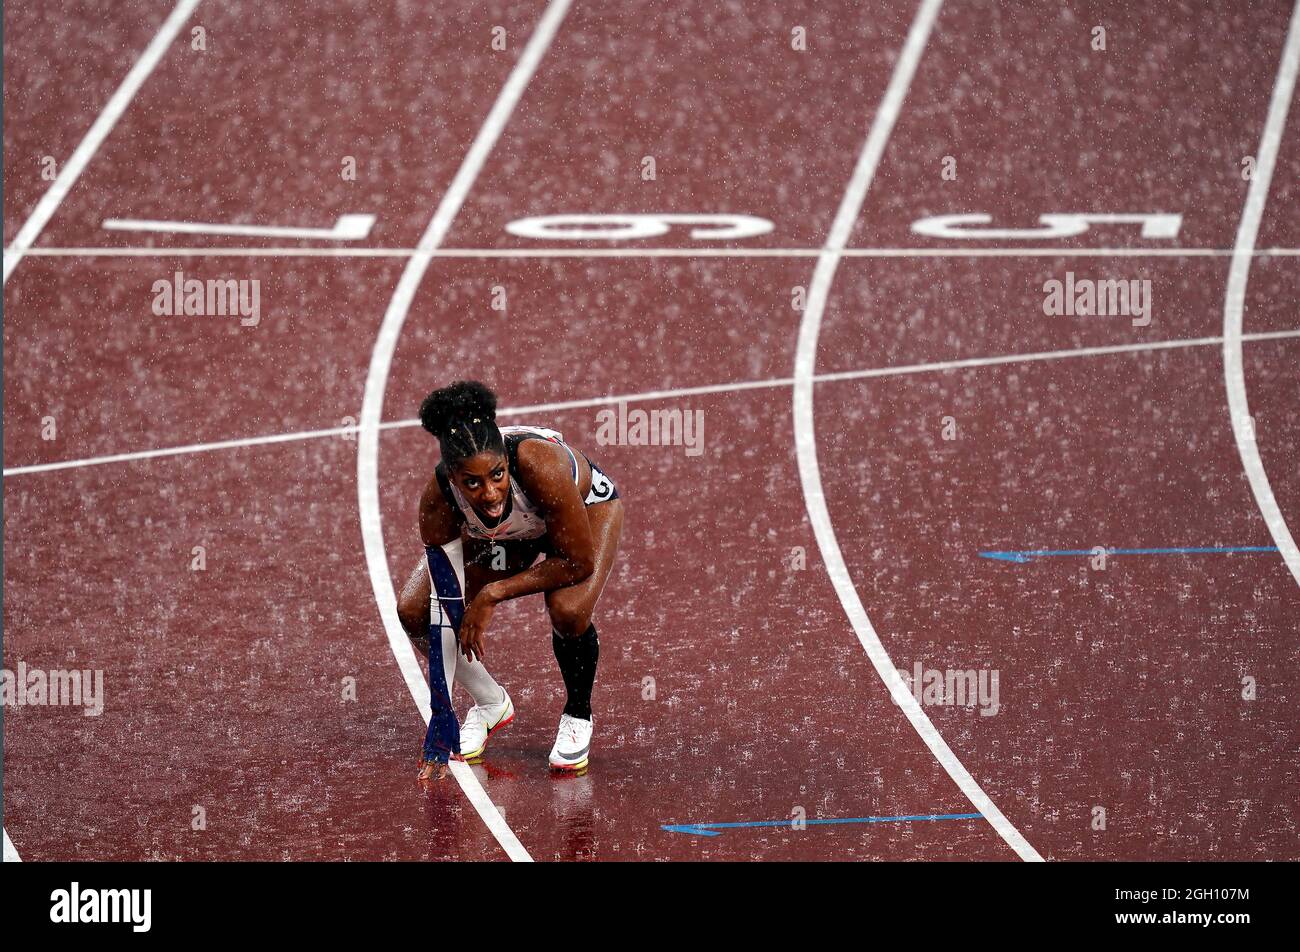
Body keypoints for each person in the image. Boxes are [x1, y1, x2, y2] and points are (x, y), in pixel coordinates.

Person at [396, 381, 624, 781]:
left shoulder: (539, 464)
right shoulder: (438, 500)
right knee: (413, 610)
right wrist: (440, 718)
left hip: (578, 517)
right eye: (473, 483)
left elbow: (576, 562)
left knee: (568, 611)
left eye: (497, 475)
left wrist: (492, 594)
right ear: (453, 478)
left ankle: (577, 713)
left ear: (505, 460)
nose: (489, 493)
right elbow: (443, 604)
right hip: (505, 536)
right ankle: (489, 703)